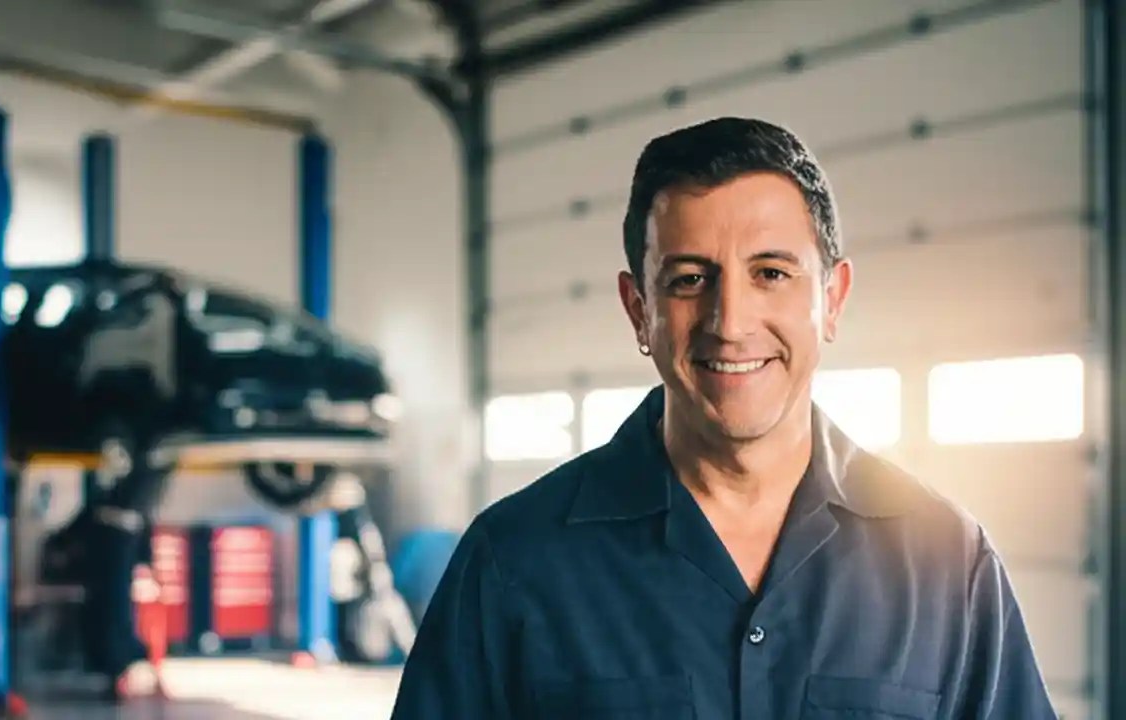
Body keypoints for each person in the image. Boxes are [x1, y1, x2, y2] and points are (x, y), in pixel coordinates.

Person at [389, 117, 1057, 719]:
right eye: (689, 279)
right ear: (638, 310)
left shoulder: (946, 562)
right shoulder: (513, 562)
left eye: (771, 274)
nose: (730, 323)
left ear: (832, 299)